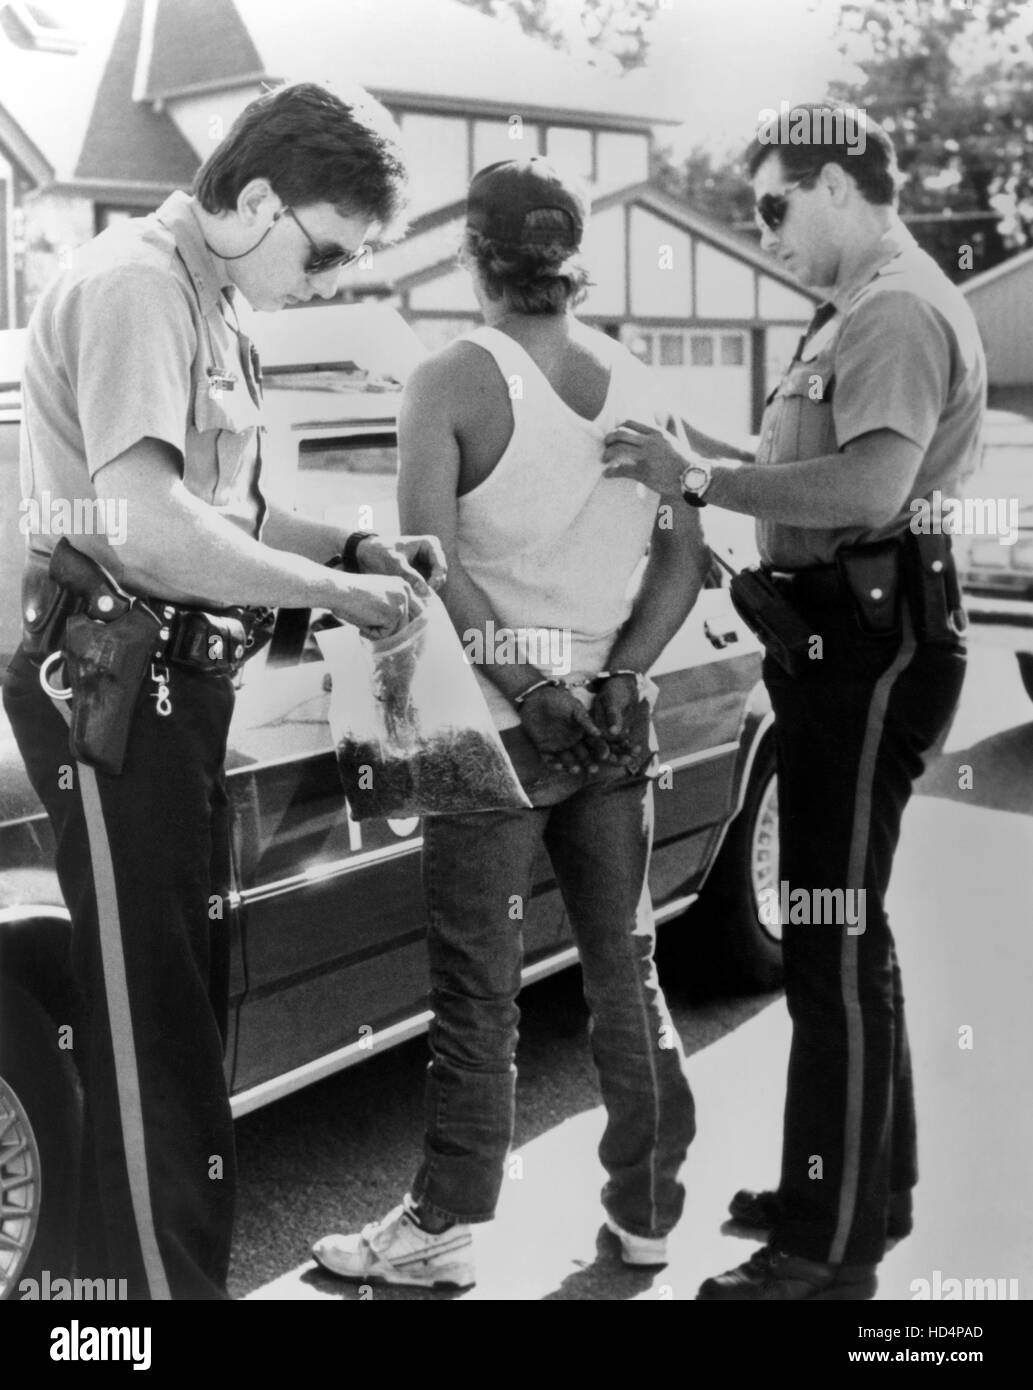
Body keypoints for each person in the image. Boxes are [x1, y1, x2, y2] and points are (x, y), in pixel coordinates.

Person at [2, 80, 445, 1301]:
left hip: (175, 695)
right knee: (164, 1052)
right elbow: (144, 526)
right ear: (256, 200)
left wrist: (352, 552)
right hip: (114, 692)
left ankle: (103, 1321)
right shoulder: (140, 285)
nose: (332, 275)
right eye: (327, 247)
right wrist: (331, 594)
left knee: (164, 1031)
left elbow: (227, 513)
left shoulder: (210, 295)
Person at [603, 105, 985, 1300]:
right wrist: (685, 442)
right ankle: (863, 1184)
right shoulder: (861, 310)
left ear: (832, 183)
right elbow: (815, 464)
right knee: (843, 933)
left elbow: (867, 478)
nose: (762, 230)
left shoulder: (896, 310)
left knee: (828, 938)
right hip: (844, 637)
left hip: (869, 644)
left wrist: (702, 477)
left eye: (771, 203)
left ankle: (827, 1249)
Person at [311, 157, 708, 1289]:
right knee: (626, 971)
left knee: (478, 991)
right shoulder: (639, 379)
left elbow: (428, 571)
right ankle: (643, 1217)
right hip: (614, 730)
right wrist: (621, 673)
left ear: (470, 256)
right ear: (572, 255)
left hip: (493, 729)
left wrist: (532, 690)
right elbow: (682, 554)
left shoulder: (452, 378)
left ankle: (440, 1226)